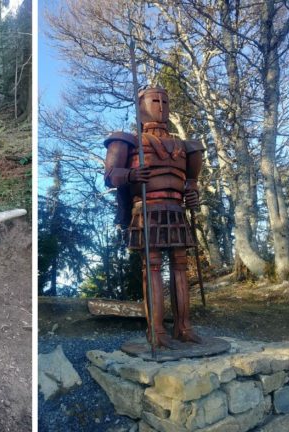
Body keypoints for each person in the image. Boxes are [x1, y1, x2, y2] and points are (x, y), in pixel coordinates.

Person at [104, 86, 204, 348]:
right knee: (153, 267)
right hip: (146, 210)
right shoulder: (128, 141)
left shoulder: (186, 147)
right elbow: (110, 176)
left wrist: (192, 194)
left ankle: (184, 327)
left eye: (164, 101)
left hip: (176, 211)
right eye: (154, 100)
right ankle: (156, 331)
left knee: (181, 267)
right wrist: (130, 175)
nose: (160, 106)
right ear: (140, 106)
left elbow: (190, 183)